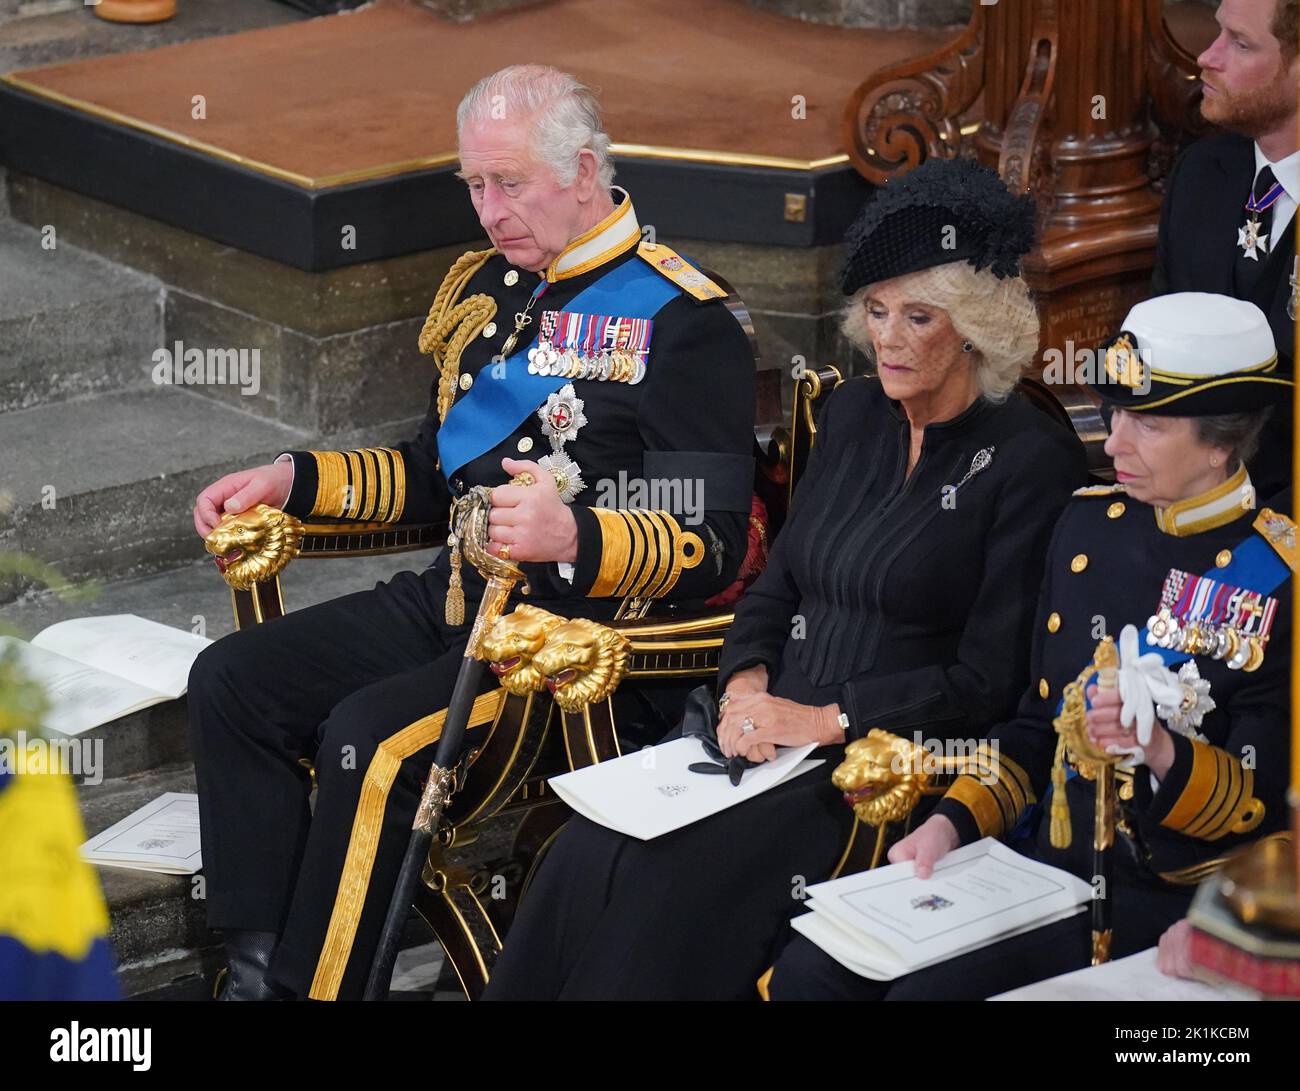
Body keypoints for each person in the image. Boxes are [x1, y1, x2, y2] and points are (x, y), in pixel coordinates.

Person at [185, 65, 757, 1001]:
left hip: (564, 650)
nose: (490, 212)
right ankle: (253, 974)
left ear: (582, 170)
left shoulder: (684, 321)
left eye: (511, 184)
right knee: (231, 681)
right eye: (475, 185)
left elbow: (715, 542)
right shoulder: (492, 291)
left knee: (367, 740)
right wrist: (295, 480)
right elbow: (427, 474)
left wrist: (575, 534)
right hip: (452, 601)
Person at [482, 157, 1088, 1001]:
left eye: (920, 317)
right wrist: (745, 683)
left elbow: (986, 681)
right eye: (876, 311)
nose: (888, 338)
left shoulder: (1027, 460)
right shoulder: (855, 416)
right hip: (765, 735)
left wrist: (827, 717)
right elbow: (778, 588)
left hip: (884, 767)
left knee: (667, 885)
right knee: (584, 853)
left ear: (979, 328)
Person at [769, 292, 1294, 1000]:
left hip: (1164, 893)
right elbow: (1030, 726)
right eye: (1114, 415)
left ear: (1222, 442)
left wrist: (1163, 751)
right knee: (811, 969)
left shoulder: (1277, 578)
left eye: (1149, 423)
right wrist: (950, 825)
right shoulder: (1085, 528)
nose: (1112, 444)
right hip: (1037, 863)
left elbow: (1265, 807)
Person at [1153, 0, 1296, 491]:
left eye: (1240, 43)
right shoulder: (1201, 173)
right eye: (1218, 34)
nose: (1206, 57)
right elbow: (1154, 348)